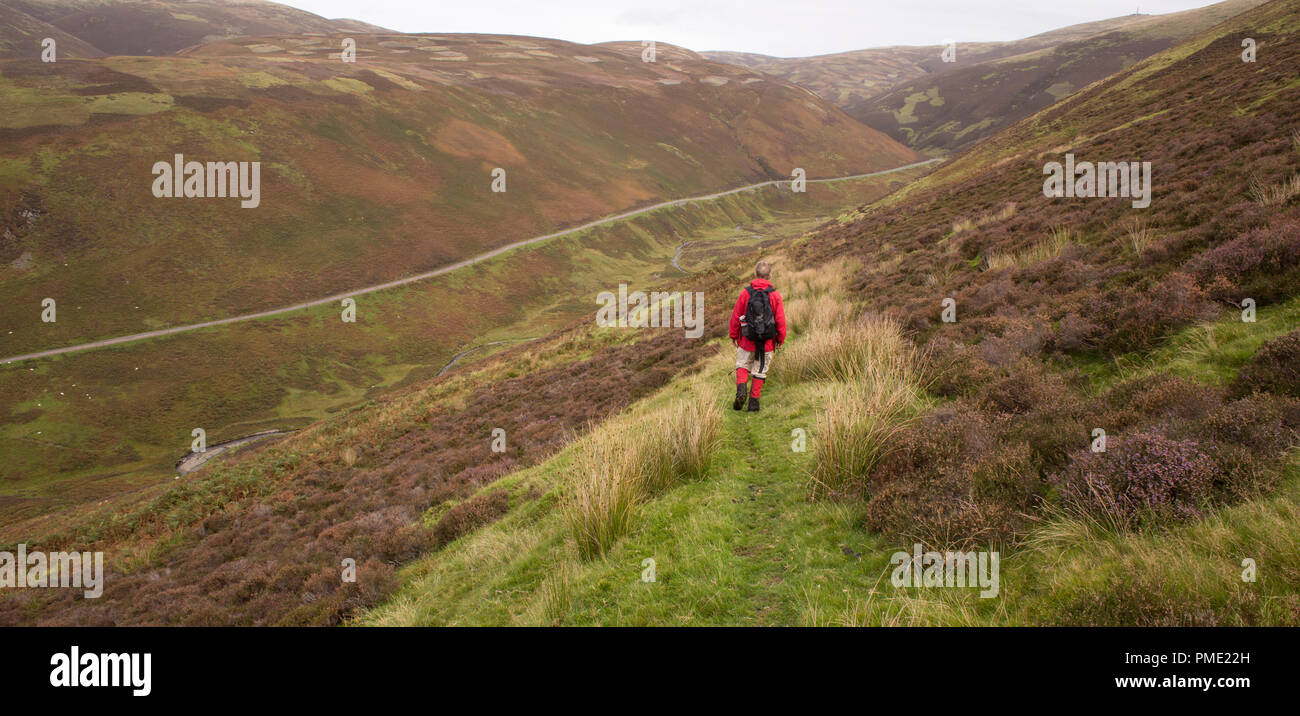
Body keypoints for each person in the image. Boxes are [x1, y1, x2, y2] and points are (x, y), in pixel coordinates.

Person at [728, 260, 786, 412]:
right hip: (766, 341)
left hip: (747, 339)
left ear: (755, 274)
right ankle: (754, 403)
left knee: (742, 365)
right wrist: (780, 339)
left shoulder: (745, 293)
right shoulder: (775, 295)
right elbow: (780, 320)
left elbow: (736, 316)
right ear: (770, 276)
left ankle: (741, 391)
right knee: (760, 370)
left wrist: (733, 335)